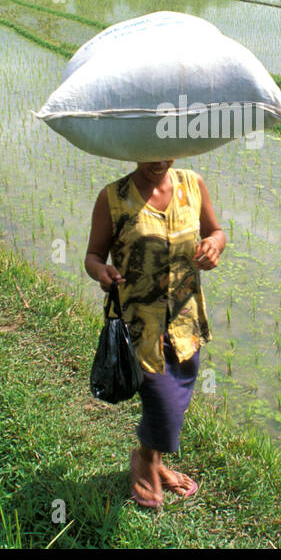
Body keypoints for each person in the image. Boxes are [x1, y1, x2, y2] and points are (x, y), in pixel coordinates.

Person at [84, 158, 226, 509]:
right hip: (139, 321)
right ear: (134, 146)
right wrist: (101, 272)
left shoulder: (192, 184)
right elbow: (93, 255)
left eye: (166, 152)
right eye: (149, 151)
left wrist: (214, 246)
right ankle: (146, 460)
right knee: (162, 399)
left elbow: (216, 231)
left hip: (185, 317)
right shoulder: (113, 197)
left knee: (179, 392)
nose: (158, 161)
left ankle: (154, 458)